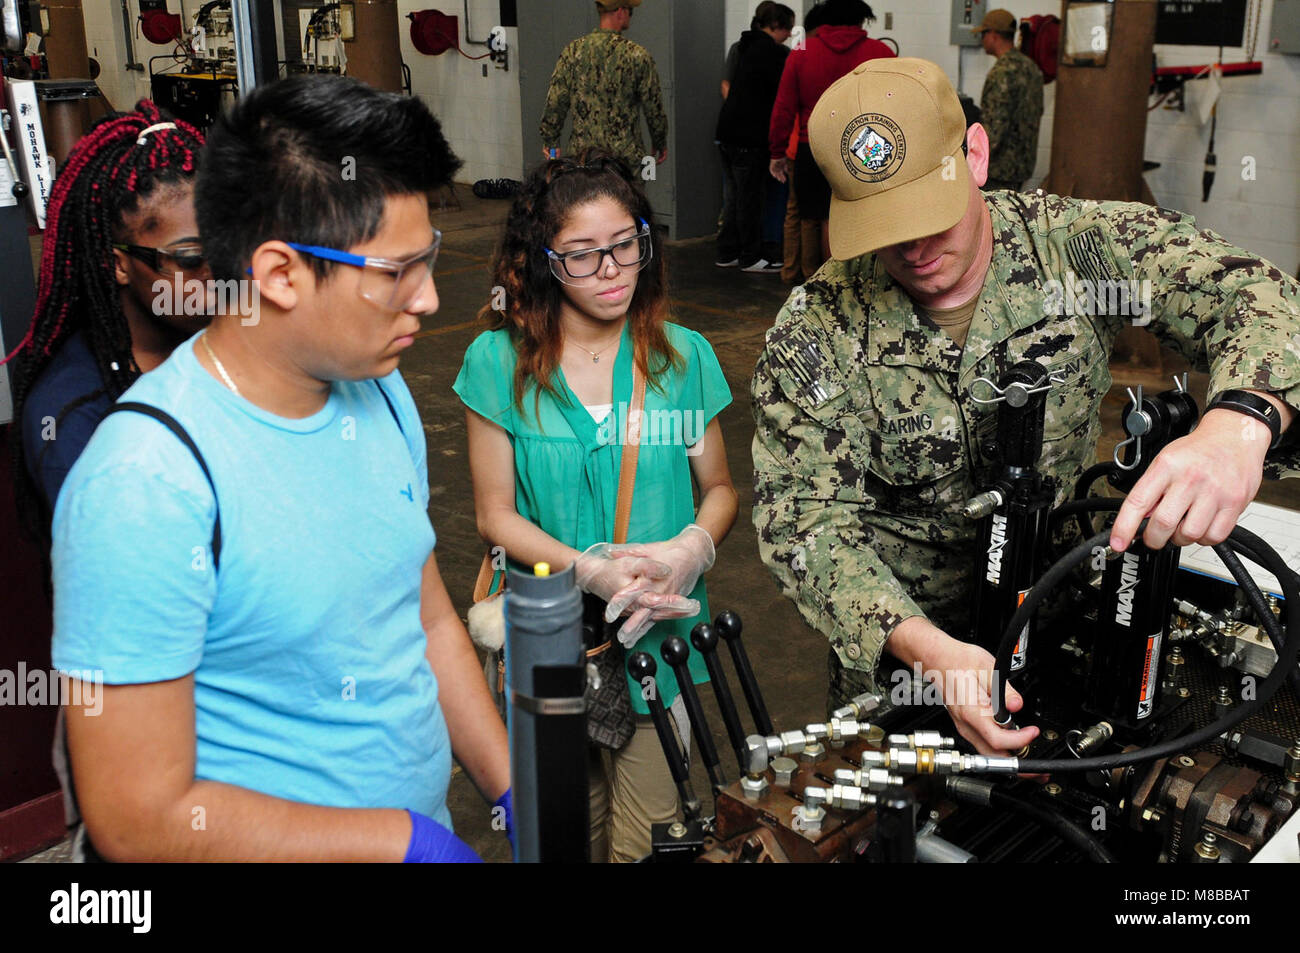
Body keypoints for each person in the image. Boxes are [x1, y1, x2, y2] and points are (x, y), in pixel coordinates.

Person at [751, 57, 1300, 756]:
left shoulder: (1076, 257)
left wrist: (1239, 424)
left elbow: (1254, 297)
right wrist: (926, 651)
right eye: (883, 226)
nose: (911, 244)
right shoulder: (821, 326)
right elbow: (802, 519)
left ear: (975, 155)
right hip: (905, 666)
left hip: (1066, 632)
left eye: (925, 209)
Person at [51, 76, 510, 862]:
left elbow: (425, 615)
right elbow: (137, 816)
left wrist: (512, 783)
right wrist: (396, 840)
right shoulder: (146, 483)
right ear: (279, 274)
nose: (429, 298)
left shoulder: (382, 388)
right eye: (396, 271)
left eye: (426, 258)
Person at [455, 151, 737, 862]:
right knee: (556, 837)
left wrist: (689, 550)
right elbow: (495, 515)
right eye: (582, 256)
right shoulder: (497, 362)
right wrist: (589, 570)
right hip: (549, 638)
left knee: (647, 842)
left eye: (625, 245)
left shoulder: (684, 356)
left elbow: (721, 489)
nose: (611, 270)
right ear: (543, 261)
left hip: (657, 643)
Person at [6, 103, 209, 540]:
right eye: (191, 258)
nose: (218, 274)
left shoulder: (225, 344)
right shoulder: (74, 418)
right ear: (118, 265)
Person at [768, 0, 893, 261]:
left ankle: (818, 281)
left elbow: (783, 108)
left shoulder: (801, 52)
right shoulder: (880, 52)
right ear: (861, 21)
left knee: (817, 216)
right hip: (867, 144)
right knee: (864, 213)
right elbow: (896, 102)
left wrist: (777, 152)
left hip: (812, 145)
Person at [538, 0, 668, 173]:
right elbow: (653, 108)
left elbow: (555, 103)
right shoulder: (637, 55)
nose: (630, 17)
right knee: (628, 199)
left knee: (584, 199)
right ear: (620, 11)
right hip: (625, 160)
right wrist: (659, 143)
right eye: (630, 11)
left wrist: (551, 143)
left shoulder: (572, 52)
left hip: (583, 158)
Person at [715, 2, 795, 273]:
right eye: (788, 27)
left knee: (734, 198)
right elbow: (781, 99)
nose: (791, 33)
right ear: (777, 26)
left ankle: (727, 251)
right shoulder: (772, 53)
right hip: (749, 136)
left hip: (727, 132)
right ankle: (751, 257)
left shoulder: (743, 46)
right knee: (749, 199)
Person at [973, 9, 1044, 191]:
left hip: (999, 171)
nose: (981, 39)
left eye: (983, 33)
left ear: (994, 35)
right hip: (1022, 168)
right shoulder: (1030, 67)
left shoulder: (1002, 72)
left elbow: (993, 130)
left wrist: (972, 162)